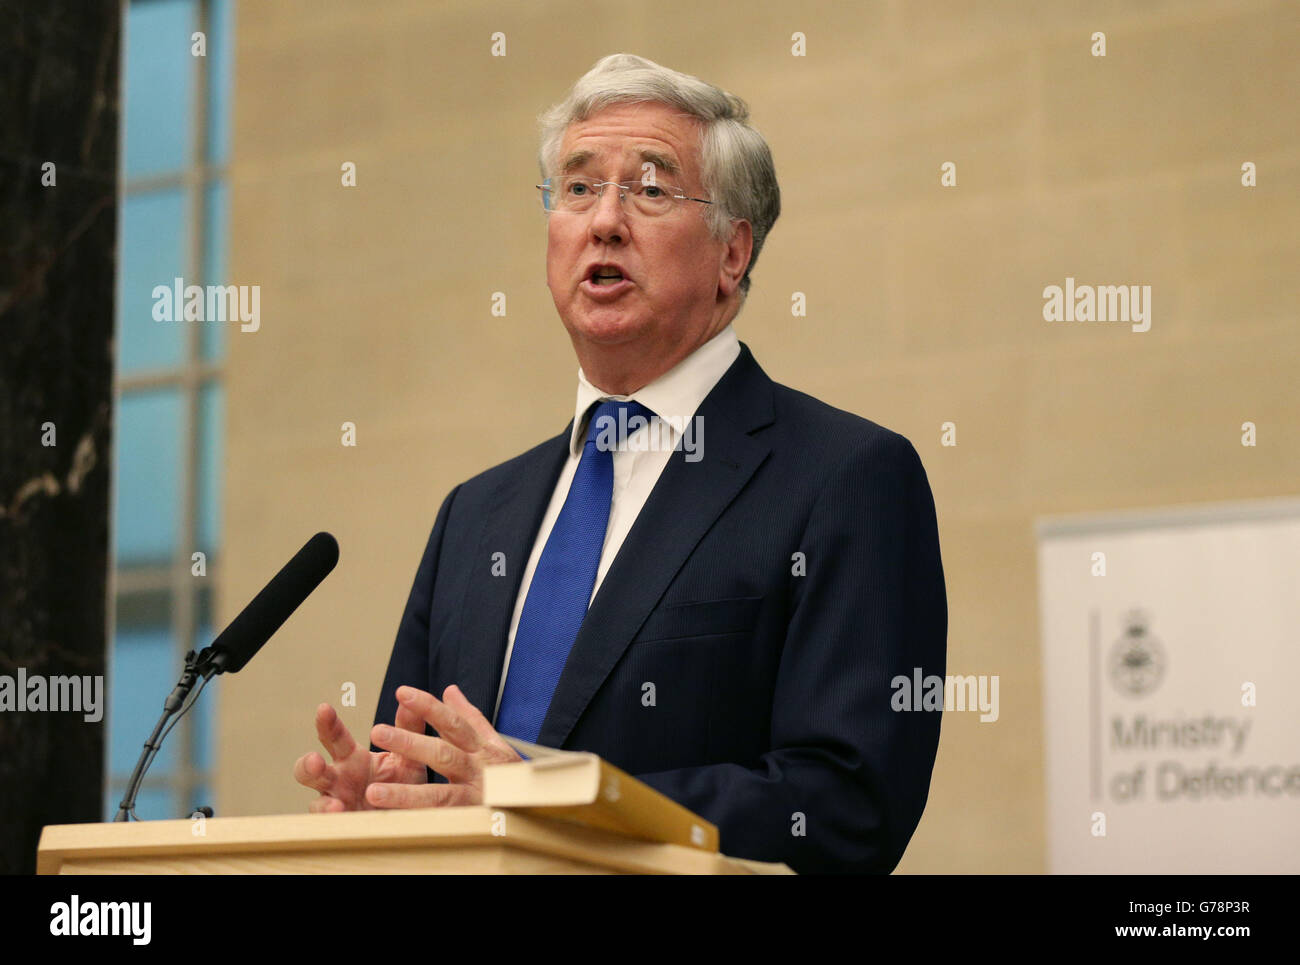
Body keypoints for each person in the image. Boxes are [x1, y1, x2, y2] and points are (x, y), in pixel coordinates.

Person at [293, 53, 946, 874]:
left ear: (732, 254)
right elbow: (442, 779)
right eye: (576, 188)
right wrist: (380, 812)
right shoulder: (475, 514)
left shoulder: (847, 478)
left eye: (650, 189)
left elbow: (849, 802)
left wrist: (554, 799)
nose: (604, 221)